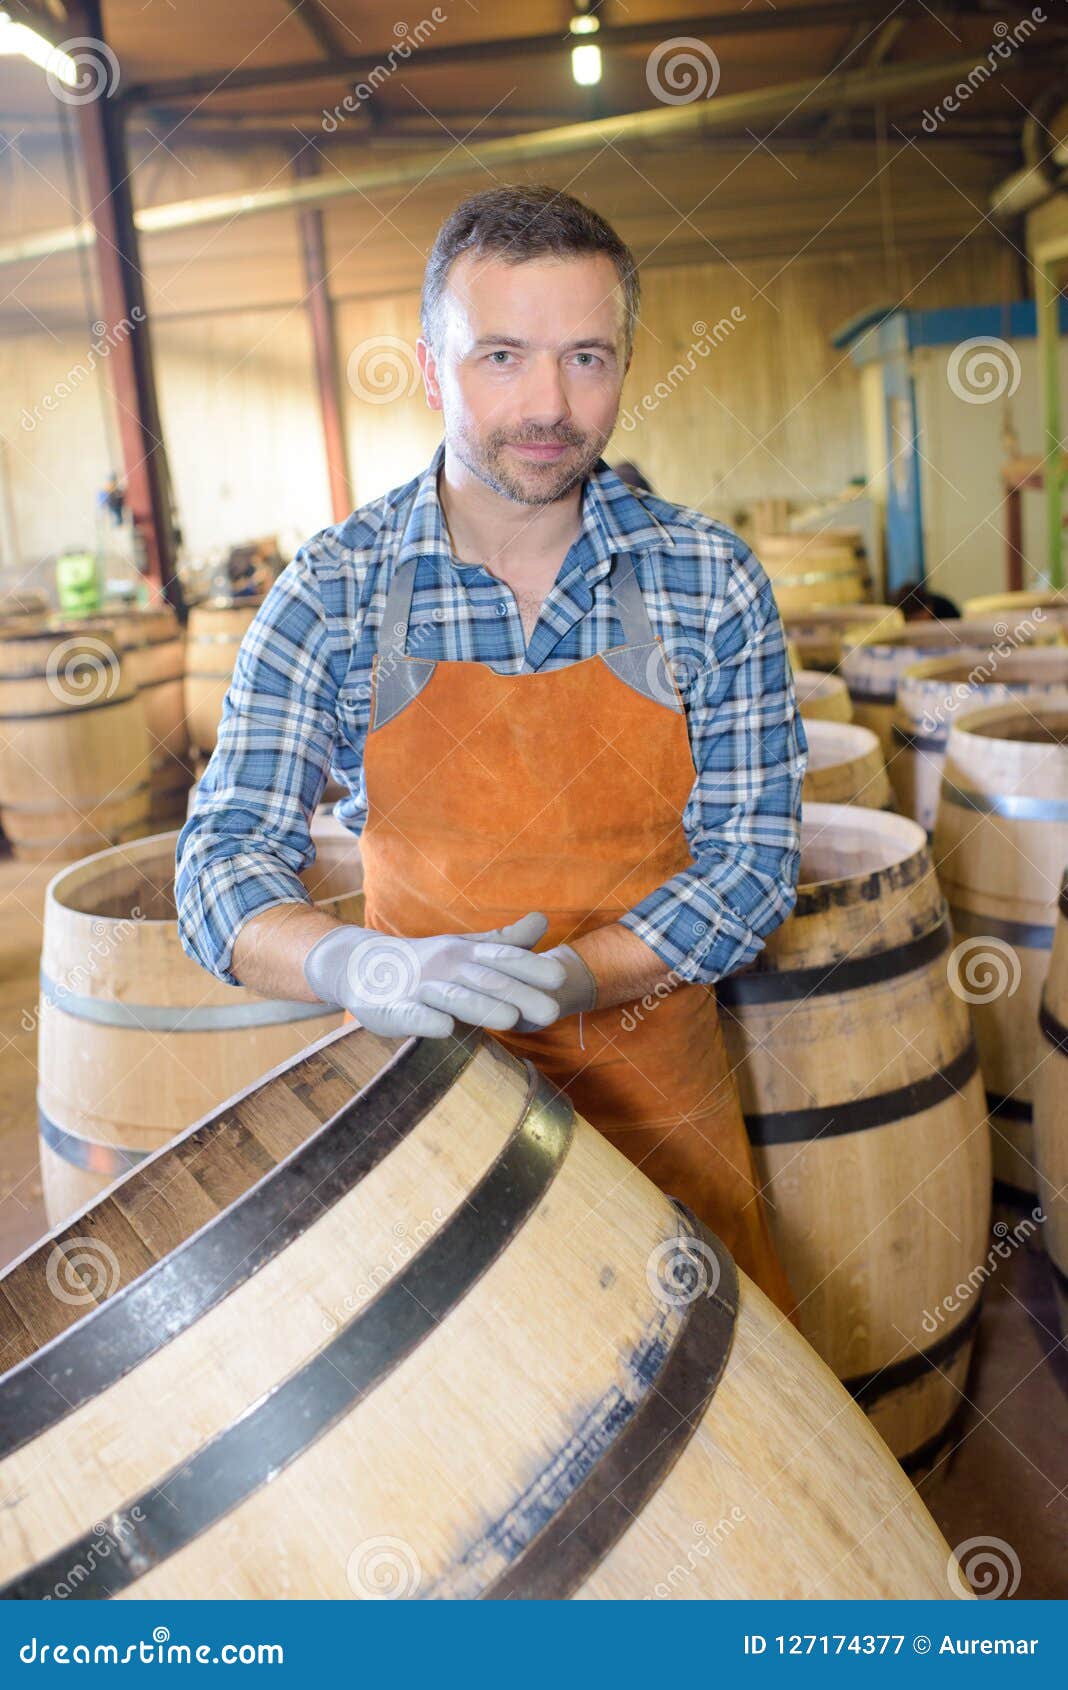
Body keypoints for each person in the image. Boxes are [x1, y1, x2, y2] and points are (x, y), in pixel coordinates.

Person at [175, 183, 807, 1313]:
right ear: (432, 370)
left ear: (625, 365)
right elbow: (221, 864)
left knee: (716, 1395)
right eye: (502, 357)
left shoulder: (708, 580)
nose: (549, 405)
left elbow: (753, 866)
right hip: (433, 1115)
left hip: (663, 1111)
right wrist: (361, 966)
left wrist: (575, 977)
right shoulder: (336, 590)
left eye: (586, 358)